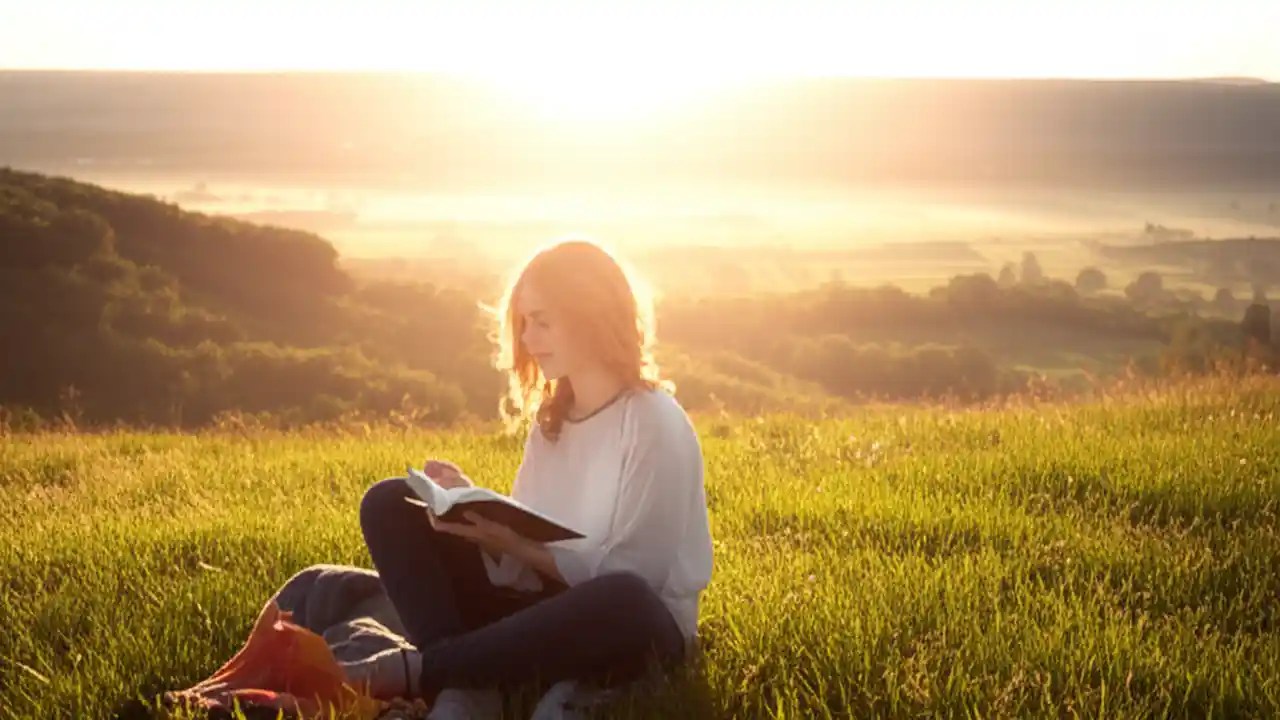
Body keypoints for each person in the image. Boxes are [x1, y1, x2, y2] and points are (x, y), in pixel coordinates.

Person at [349, 239, 714, 718]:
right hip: (540, 610)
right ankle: (466, 679)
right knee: (391, 503)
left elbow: (639, 576)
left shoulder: (653, 422)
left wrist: (518, 546)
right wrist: (475, 513)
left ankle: (427, 671)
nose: (528, 339)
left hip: (631, 625)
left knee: (622, 596)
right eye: (523, 323)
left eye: (542, 321)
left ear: (592, 317)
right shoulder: (553, 422)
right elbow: (525, 559)